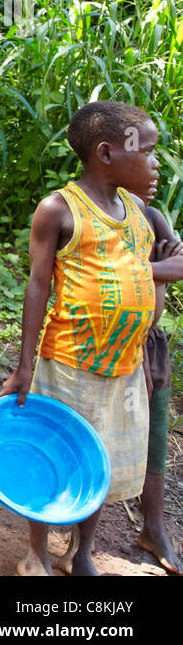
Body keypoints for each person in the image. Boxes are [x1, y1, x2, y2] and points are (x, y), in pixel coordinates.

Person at [1, 101, 183, 576]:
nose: (155, 162)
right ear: (106, 152)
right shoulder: (60, 210)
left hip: (124, 363)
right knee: (54, 455)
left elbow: (152, 272)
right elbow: (38, 285)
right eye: (146, 151)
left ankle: (80, 552)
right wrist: (24, 365)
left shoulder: (140, 212)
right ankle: (35, 553)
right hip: (69, 361)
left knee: (98, 462)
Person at [134, 186, 182, 574]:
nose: (155, 172)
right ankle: (80, 541)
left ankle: (153, 528)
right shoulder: (90, 215)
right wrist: (157, 274)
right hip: (110, 347)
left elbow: (180, 263)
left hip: (150, 345)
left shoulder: (151, 217)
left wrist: (155, 275)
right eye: (144, 156)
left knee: (155, 438)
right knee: (96, 436)